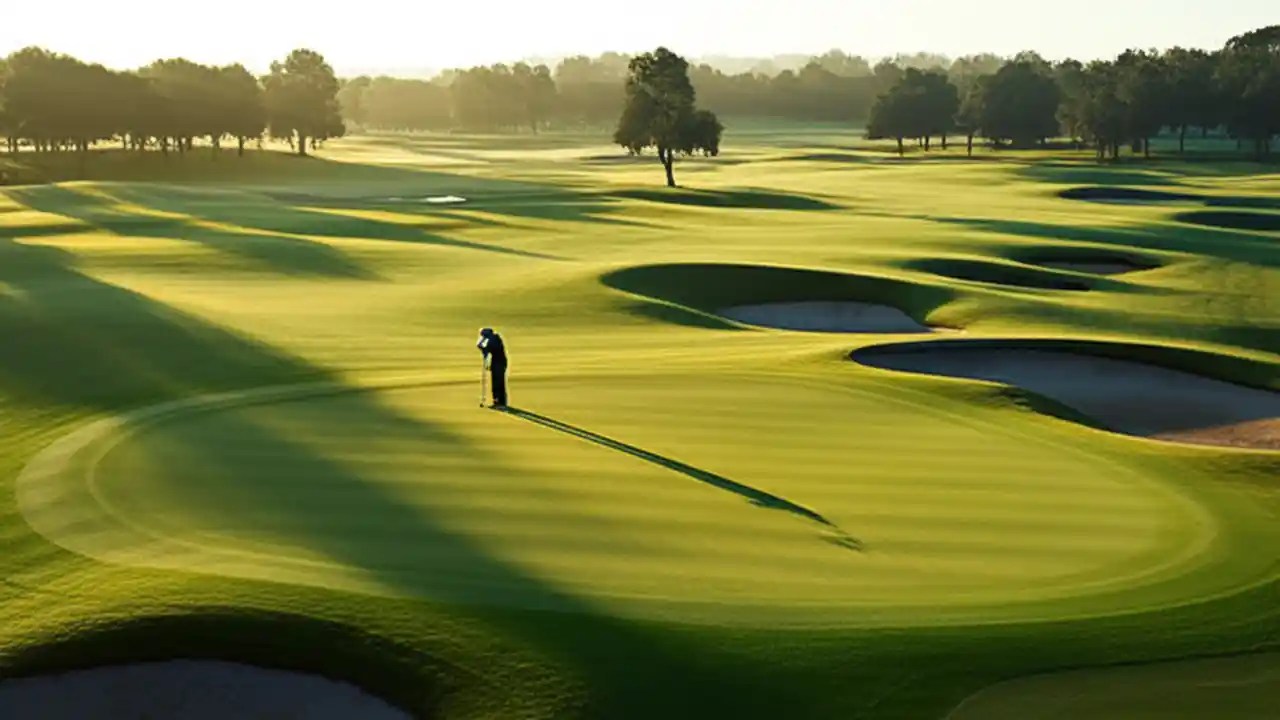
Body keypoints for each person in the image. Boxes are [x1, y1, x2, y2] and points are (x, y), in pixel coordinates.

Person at [476, 327, 508, 408]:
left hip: (500, 362)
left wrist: (484, 351)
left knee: (499, 382)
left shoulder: (495, 339)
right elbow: (480, 345)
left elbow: (487, 347)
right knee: (495, 382)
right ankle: (496, 401)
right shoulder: (491, 338)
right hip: (495, 362)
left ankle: (501, 403)